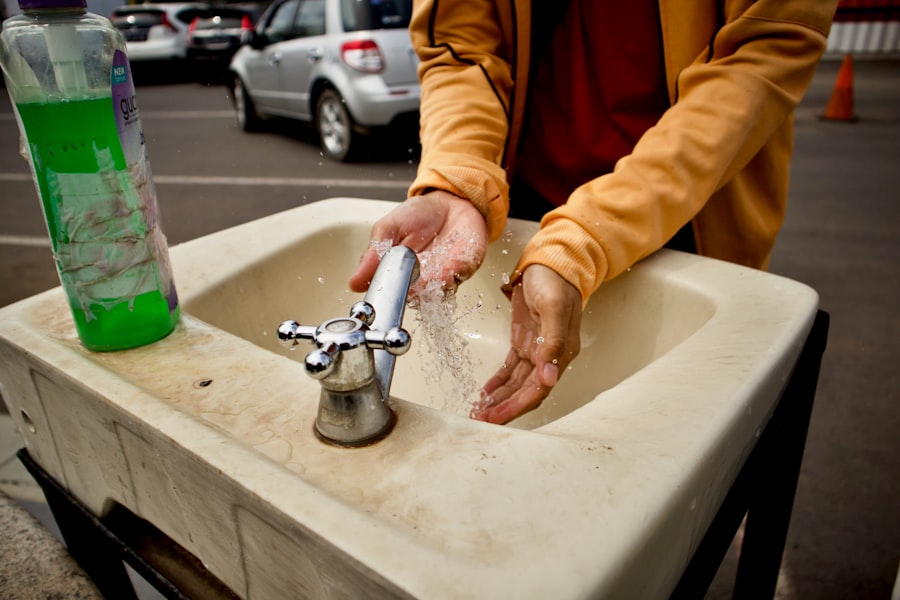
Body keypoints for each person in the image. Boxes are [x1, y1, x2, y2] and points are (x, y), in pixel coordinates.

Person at [350, 0, 838, 425]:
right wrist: (458, 179)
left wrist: (586, 234)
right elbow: (459, 45)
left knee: (680, 432)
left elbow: (760, 54)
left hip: (690, 212)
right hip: (528, 215)